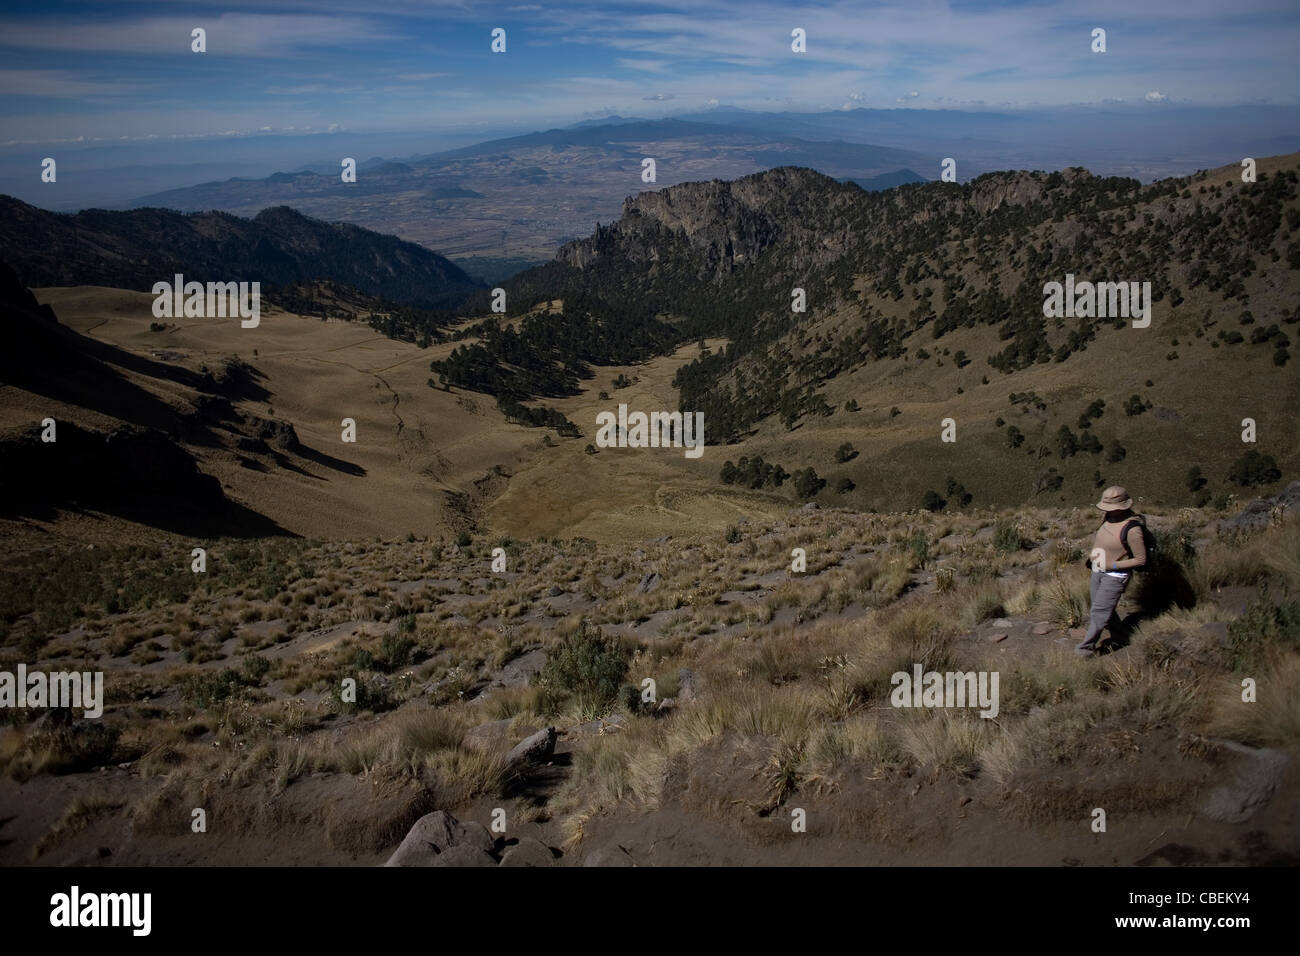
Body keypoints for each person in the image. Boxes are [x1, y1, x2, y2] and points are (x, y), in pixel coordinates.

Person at [1076, 486, 1147, 656]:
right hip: (1098, 569)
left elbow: (1140, 560)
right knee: (1100, 607)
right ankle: (1121, 635)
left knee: (1099, 611)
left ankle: (1084, 649)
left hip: (1115, 575)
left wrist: (1112, 565)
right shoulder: (1109, 517)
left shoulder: (1133, 529)